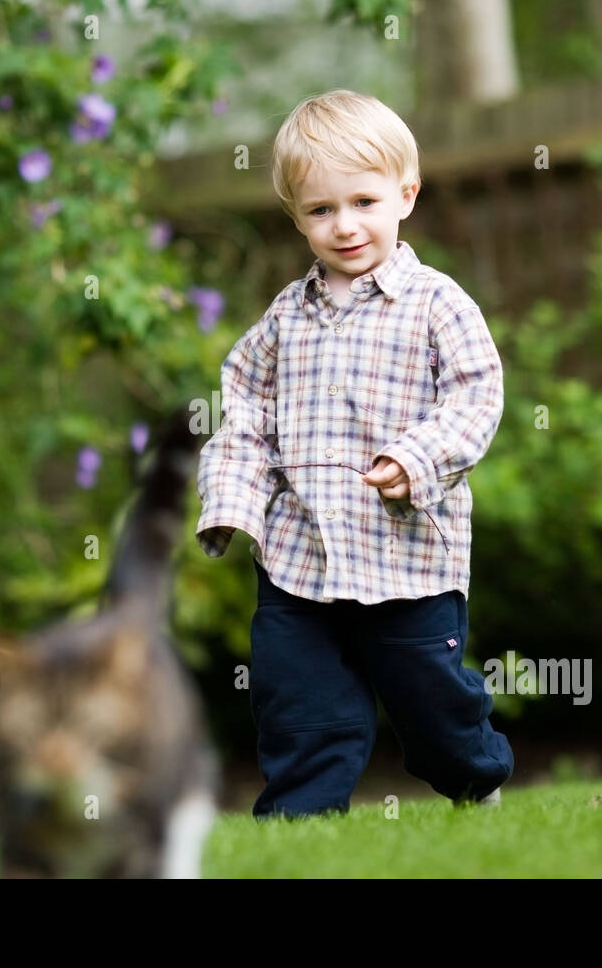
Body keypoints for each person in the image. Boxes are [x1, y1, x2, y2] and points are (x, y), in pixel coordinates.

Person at [195, 88, 513, 819]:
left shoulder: (436, 304)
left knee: (429, 704)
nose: (344, 226)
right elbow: (245, 412)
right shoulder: (284, 317)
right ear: (297, 216)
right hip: (299, 560)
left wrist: (416, 460)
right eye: (320, 210)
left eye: (364, 202)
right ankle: (301, 822)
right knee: (299, 702)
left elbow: (474, 397)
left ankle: (474, 774)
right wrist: (234, 502)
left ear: (406, 194)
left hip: (406, 562)